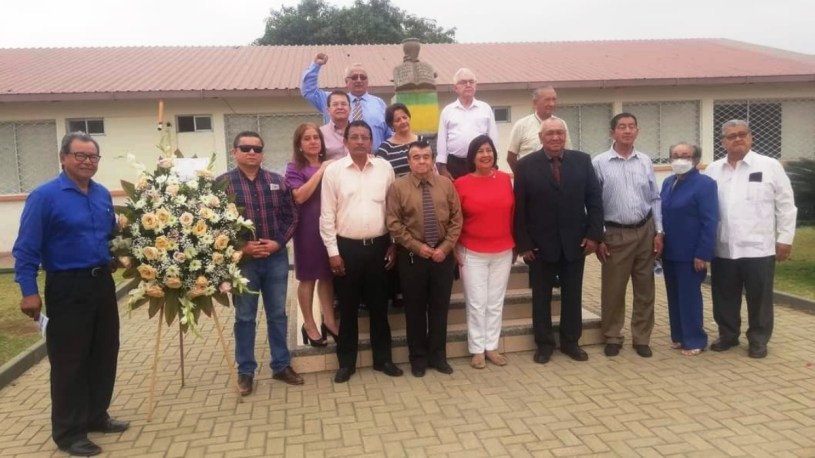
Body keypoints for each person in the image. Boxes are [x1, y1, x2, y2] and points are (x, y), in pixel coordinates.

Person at [13, 132, 128, 456]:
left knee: (104, 352)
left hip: (102, 284)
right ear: (63, 158)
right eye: (80, 155)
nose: (87, 162)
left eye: (93, 156)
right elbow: (26, 248)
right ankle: (69, 432)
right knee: (70, 362)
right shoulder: (44, 197)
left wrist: (117, 255)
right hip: (67, 287)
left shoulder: (101, 194)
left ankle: (96, 415)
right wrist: (28, 291)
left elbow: (108, 237)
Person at [705, 120, 797, 359]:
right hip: (723, 246)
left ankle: (758, 339)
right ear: (723, 142)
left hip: (758, 247)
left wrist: (785, 238)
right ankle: (728, 335)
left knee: (760, 297)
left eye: (742, 134)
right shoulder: (713, 169)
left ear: (750, 137)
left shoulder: (769, 166)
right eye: (731, 136)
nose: (738, 138)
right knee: (724, 296)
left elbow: (786, 204)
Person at [219, 131, 302, 396]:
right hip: (243, 262)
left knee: (277, 314)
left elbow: (292, 217)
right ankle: (246, 371)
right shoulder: (221, 186)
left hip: (275, 259)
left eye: (257, 148)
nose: (252, 152)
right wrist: (240, 246)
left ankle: (281, 365)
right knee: (245, 317)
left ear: (263, 153)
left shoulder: (277, 182)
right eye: (245, 148)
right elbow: (212, 224)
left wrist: (279, 242)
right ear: (234, 152)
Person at [515, 119, 604, 364]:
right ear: (541, 137)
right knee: (541, 298)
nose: (555, 137)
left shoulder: (582, 161)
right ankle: (544, 344)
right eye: (550, 133)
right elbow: (519, 208)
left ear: (565, 136)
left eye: (560, 133)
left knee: (573, 296)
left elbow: (594, 200)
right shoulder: (525, 165)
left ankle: (570, 342)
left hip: (576, 243)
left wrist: (594, 235)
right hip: (539, 246)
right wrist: (524, 244)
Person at [320, 120, 403, 383]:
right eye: (354, 137)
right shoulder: (333, 171)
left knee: (379, 307)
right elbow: (326, 215)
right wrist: (333, 252)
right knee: (348, 309)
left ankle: (383, 360)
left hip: (379, 247)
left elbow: (393, 209)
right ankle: (346, 363)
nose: (359, 141)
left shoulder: (384, 168)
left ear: (371, 141)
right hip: (347, 249)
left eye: (364, 137)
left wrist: (393, 243)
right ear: (345, 141)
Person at [386, 140, 462, 377]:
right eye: (416, 157)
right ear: (409, 161)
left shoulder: (446, 185)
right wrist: (417, 247)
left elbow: (457, 219)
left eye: (426, 157)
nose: (422, 161)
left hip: (442, 257)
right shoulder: (398, 187)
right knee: (415, 310)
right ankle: (418, 358)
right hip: (412, 257)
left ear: (433, 160)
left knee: (439, 309)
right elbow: (394, 223)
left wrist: (445, 248)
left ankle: (438, 356)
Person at [592, 113, 663, 358]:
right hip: (615, 234)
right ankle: (612, 336)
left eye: (632, 126)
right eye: (622, 127)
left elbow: (654, 197)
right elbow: (593, 204)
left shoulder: (645, 161)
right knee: (613, 290)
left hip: (645, 231)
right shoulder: (599, 162)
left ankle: (642, 337)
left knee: (645, 289)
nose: (627, 131)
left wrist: (659, 231)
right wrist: (599, 237)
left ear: (637, 131)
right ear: (612, 133)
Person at [454, 135, 515, 369]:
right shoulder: (461, 183)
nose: (485, 155)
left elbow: (514, 213)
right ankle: (477, 349)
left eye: (489, 150)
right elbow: (455, 219)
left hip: (503, 251)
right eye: (480, 151)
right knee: (477, 302)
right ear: (472, 157)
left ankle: (492, 347)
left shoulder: (505, 180)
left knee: (495, 302)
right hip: (472, 252)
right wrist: (454, 247)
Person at [660, 143, 719, 356]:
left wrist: (703, 252)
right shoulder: (668, 182)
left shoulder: (705, 184)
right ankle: (679, 336)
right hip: (670, 251)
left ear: (695, 160)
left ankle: (695, 339)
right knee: (674, 295)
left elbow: (710, 221)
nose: (680, 159)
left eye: (685, 155)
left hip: (691, 253)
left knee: (689, 297)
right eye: (675, 155)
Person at [285, 123, 339, 348]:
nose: (313, 141)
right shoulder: (294, 167)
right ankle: (309, 324)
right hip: (307, 229)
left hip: (330, 228)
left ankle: (329, 321)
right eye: (307, 138)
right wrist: (322, 170)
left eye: (316, 137)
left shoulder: (332, 164)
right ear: (299, 144)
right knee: (308, 278)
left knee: (327, 276)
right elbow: (300, 196)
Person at [301, 52, 389, 152]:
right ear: (346, 81)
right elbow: (309, 91)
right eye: (354, 77)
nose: (359, 80)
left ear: (367, 81)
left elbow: (390, 134)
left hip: (374, 158)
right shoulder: (333, 100)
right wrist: (316, 65)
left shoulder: (379, 104)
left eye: (363, 77)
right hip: (338, 159)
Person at [436, 68, 498, 180]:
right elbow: (442, 141)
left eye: (471, 82)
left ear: (476, 85)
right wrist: (442, 168)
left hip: (481, 163)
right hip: (455, 164)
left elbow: (493, 138)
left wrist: (494, 163)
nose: (468, 85)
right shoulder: (447, 111)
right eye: (463, 82)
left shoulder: (485, 108)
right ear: (455, 88)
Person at [507, 86, 572, 175]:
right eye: (547, 100)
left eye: (554, 99)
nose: (552, 104)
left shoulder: (561, 124)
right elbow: (511, 157)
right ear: (535, 103)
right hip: (530, 178)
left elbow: (567, 153)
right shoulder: (522, 125)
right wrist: (522, 176)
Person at [377, 103, 425, 177]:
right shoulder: (385, 148)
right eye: (397, 120)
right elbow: (380, 174)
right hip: (396, 184)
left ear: (409, 118)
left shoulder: (422, 141)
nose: (403, 122)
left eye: (405, 117)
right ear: (391, 125)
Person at [320, 90, 351, 160]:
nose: (340, 107)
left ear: (350, 109)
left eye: (343, 104)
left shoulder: (358, 132)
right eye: (335, 104)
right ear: (328, 110)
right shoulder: (320, 133)